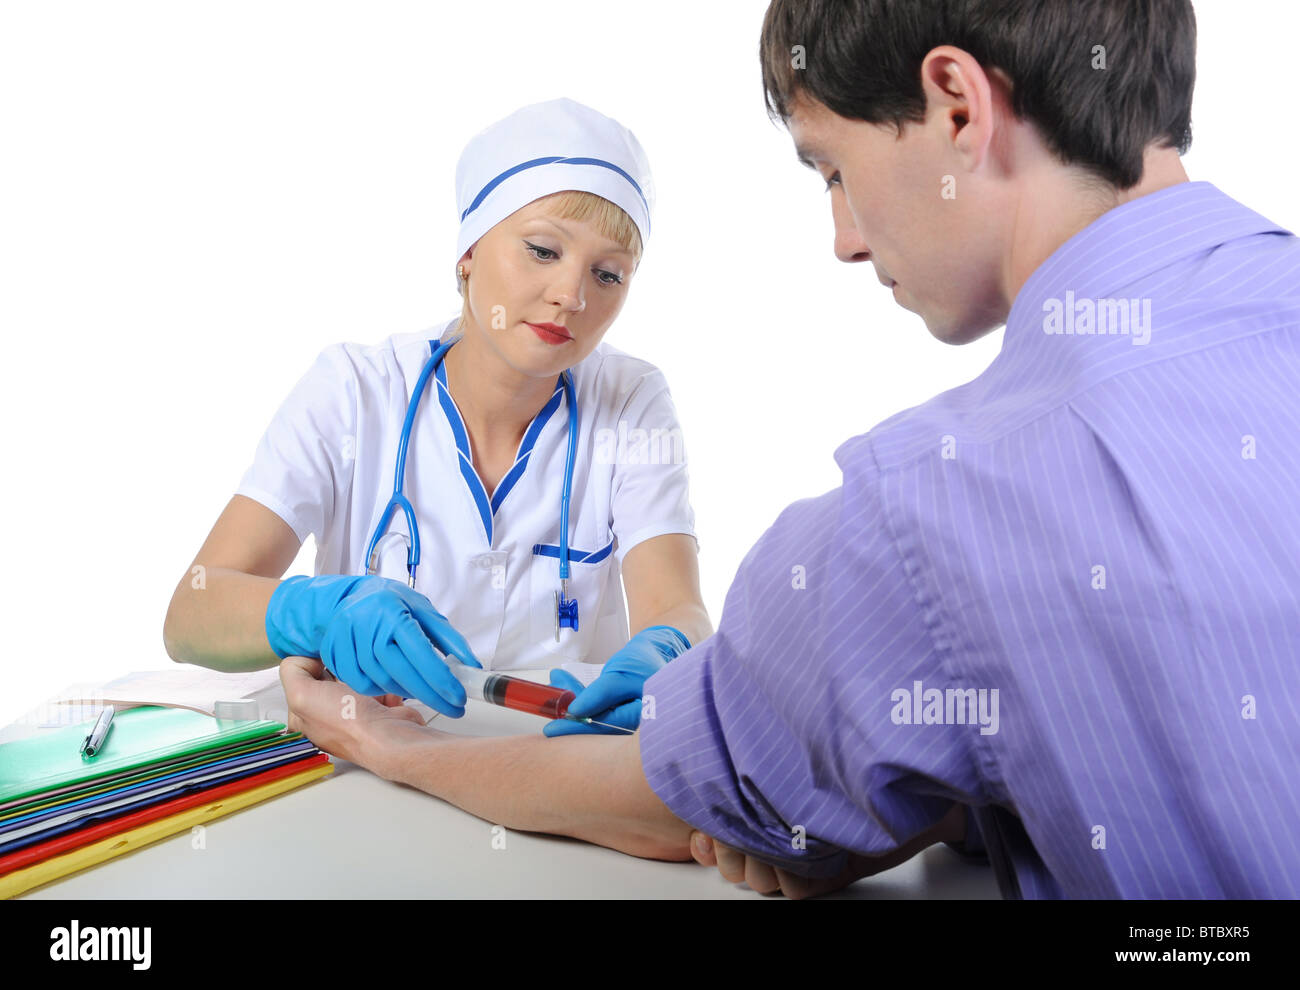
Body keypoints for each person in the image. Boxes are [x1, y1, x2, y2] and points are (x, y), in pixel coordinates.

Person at [279, 0, 1300, 898]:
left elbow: (666, 801)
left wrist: (392, 751)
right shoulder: (354, 382)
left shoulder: (938, 504)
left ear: (955, 106)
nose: (845, 238)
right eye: (540, 252)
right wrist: (954, 804)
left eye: (833, 170)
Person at [165, 98, 712, 734]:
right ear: (469, 252)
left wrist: (670, 650)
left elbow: (678, 607)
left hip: (556, 764)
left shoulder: (632, 400)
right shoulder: (354, 391)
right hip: (370, 765)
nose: (573, 295)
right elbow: (191, 613)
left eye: (610, 274)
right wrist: (316, 611)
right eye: (542, 250)